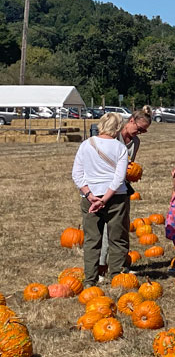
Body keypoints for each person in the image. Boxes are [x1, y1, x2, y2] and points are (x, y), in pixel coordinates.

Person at [72, 112, 131, 287]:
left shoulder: (86, 145)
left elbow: (76, 174)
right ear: (118, 128)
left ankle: (90, 280)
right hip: (116, 198)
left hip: (90, 199)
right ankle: (116, 279)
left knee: (92, 239)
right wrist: (104, 199)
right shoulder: (120, 148)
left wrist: (91, 195)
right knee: (117, 239)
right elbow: (119, 177)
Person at [97, 107, 152, 281]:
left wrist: (132, 173)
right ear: (131, 121)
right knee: (106, 228)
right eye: (140, 129)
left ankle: (120, 265)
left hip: (123, 188)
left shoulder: (135, 142)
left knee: (122, 227)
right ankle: (101, 266)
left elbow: (129, 164)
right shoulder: (113, 137)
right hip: (106, 187)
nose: (141, 133)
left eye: (144, 131)